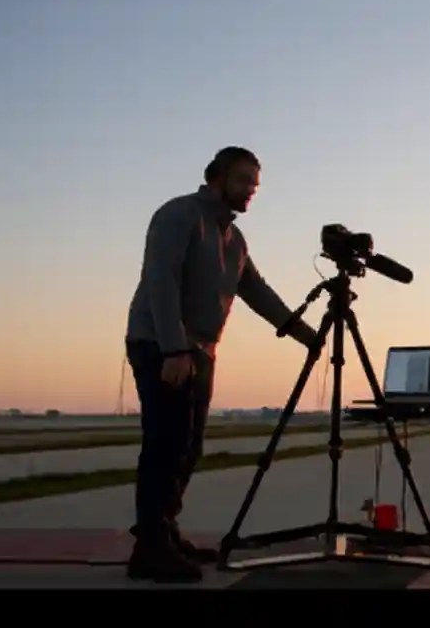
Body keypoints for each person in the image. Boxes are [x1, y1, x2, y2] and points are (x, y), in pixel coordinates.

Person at [123, 145, 318, 582]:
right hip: (160, 345)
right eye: (243, 180)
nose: (251, 190)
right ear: (217, 178)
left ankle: (165, 530)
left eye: (255, 184)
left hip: (201, 351)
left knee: (189, 447)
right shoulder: (179, 215)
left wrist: (304, 334)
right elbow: (161, 281)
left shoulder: (235, 239)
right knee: (165, 445)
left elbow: (256, 291)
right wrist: (173, 349)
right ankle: (149, 549)